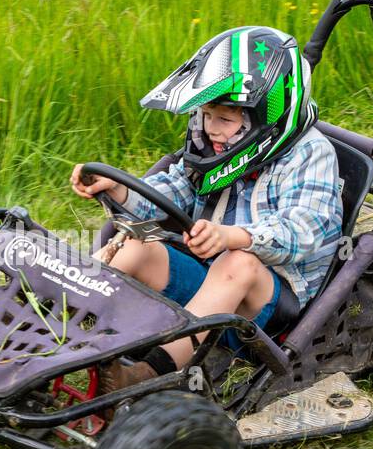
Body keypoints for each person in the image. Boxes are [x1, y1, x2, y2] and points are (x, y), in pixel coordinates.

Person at [69, 25, 343, 395]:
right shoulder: (214, 151)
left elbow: (302, 232)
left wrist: (232, 237)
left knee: (237, 261)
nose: (212, 129)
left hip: (268, 305)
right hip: (206, 277)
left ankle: (147, 374)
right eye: (206, 115)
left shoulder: (311, 155)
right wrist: (117, 189)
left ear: (266, 117)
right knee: (135, 243)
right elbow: (172, 190)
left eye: (226, 120)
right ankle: (53, 321)